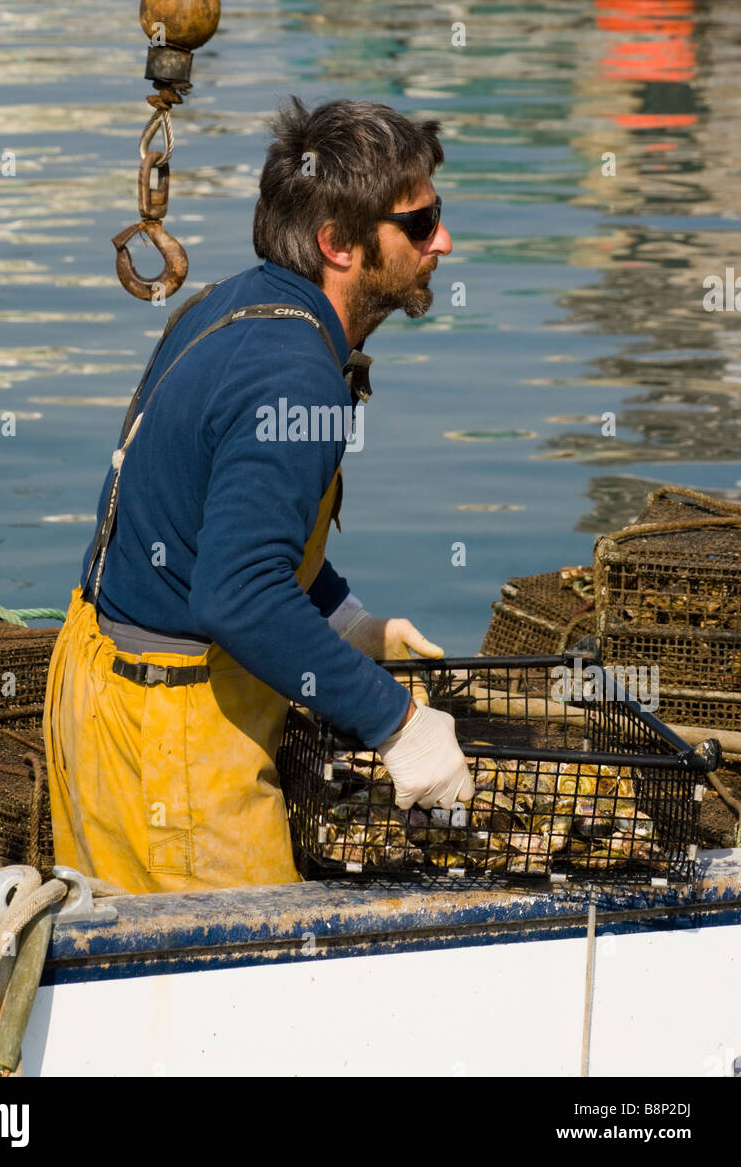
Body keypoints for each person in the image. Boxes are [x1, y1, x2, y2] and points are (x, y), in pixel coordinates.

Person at [44, 96, 474, 893]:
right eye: (419, 224)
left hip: (102, 692)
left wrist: (341, 617)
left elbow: (221, 521)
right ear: (337, 243)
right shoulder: (293, 373)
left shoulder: (229, 303)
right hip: (171, 737)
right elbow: (238, 594)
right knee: (231, 996)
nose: (441, 240)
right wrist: (399, 726)